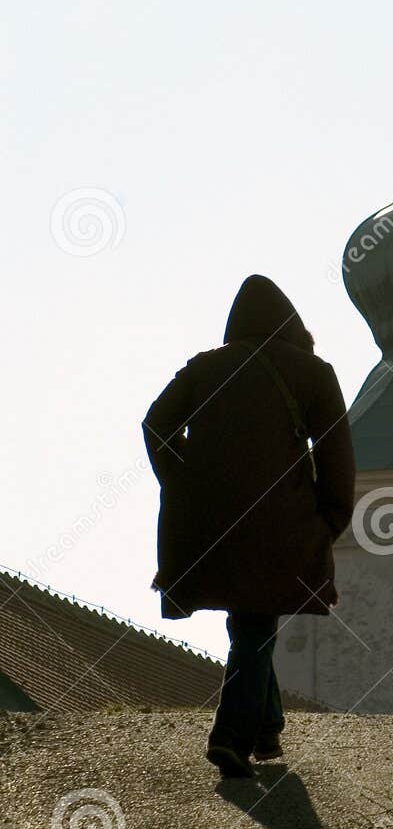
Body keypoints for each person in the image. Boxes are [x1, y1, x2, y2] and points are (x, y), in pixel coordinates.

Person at [143, 275, 355, 778]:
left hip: (209, 522)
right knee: (255, 622)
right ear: (292, 327)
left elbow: (156, 425)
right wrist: (330, 519)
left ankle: (266, 726)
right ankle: (231, 737)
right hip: (281, 521)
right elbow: (336, 456)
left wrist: (181, 482)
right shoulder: (314, 374)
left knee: (250, 621)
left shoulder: (205, 367)